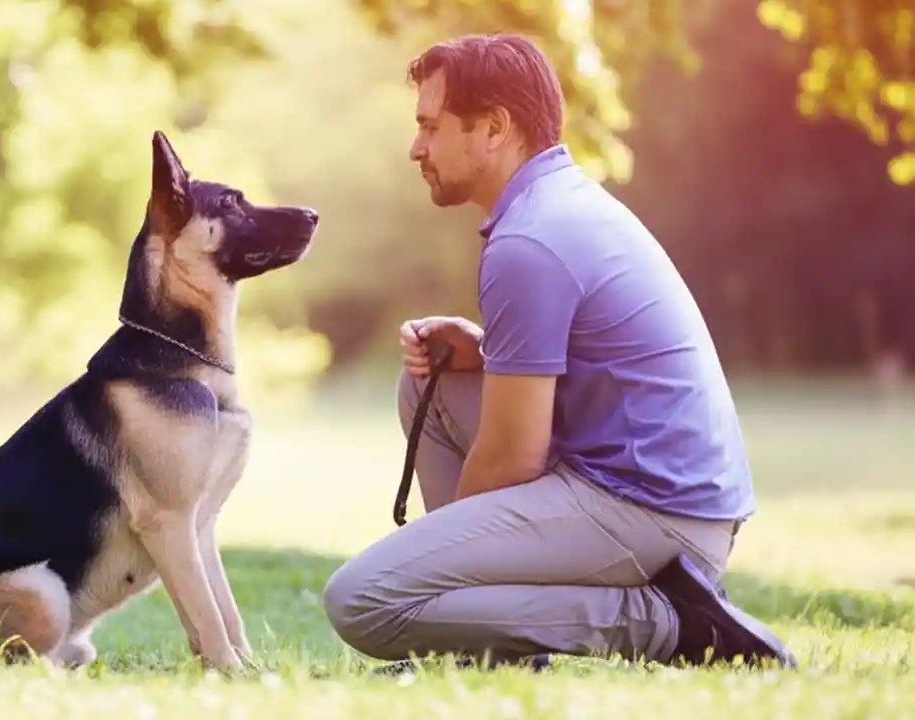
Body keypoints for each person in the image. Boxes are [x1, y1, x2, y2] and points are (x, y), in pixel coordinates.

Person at [321, 33, 796, 671]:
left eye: (431, 127)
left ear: (493, 128)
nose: (416, 148)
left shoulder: (531, 241)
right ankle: (494, 645)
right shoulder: (556, 207)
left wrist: (438, 570)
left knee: (361, 600)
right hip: (648, 495)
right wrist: (489, 354)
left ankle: (668, 623)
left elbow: (512, 459)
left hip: (661, 519)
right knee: (427, 386)